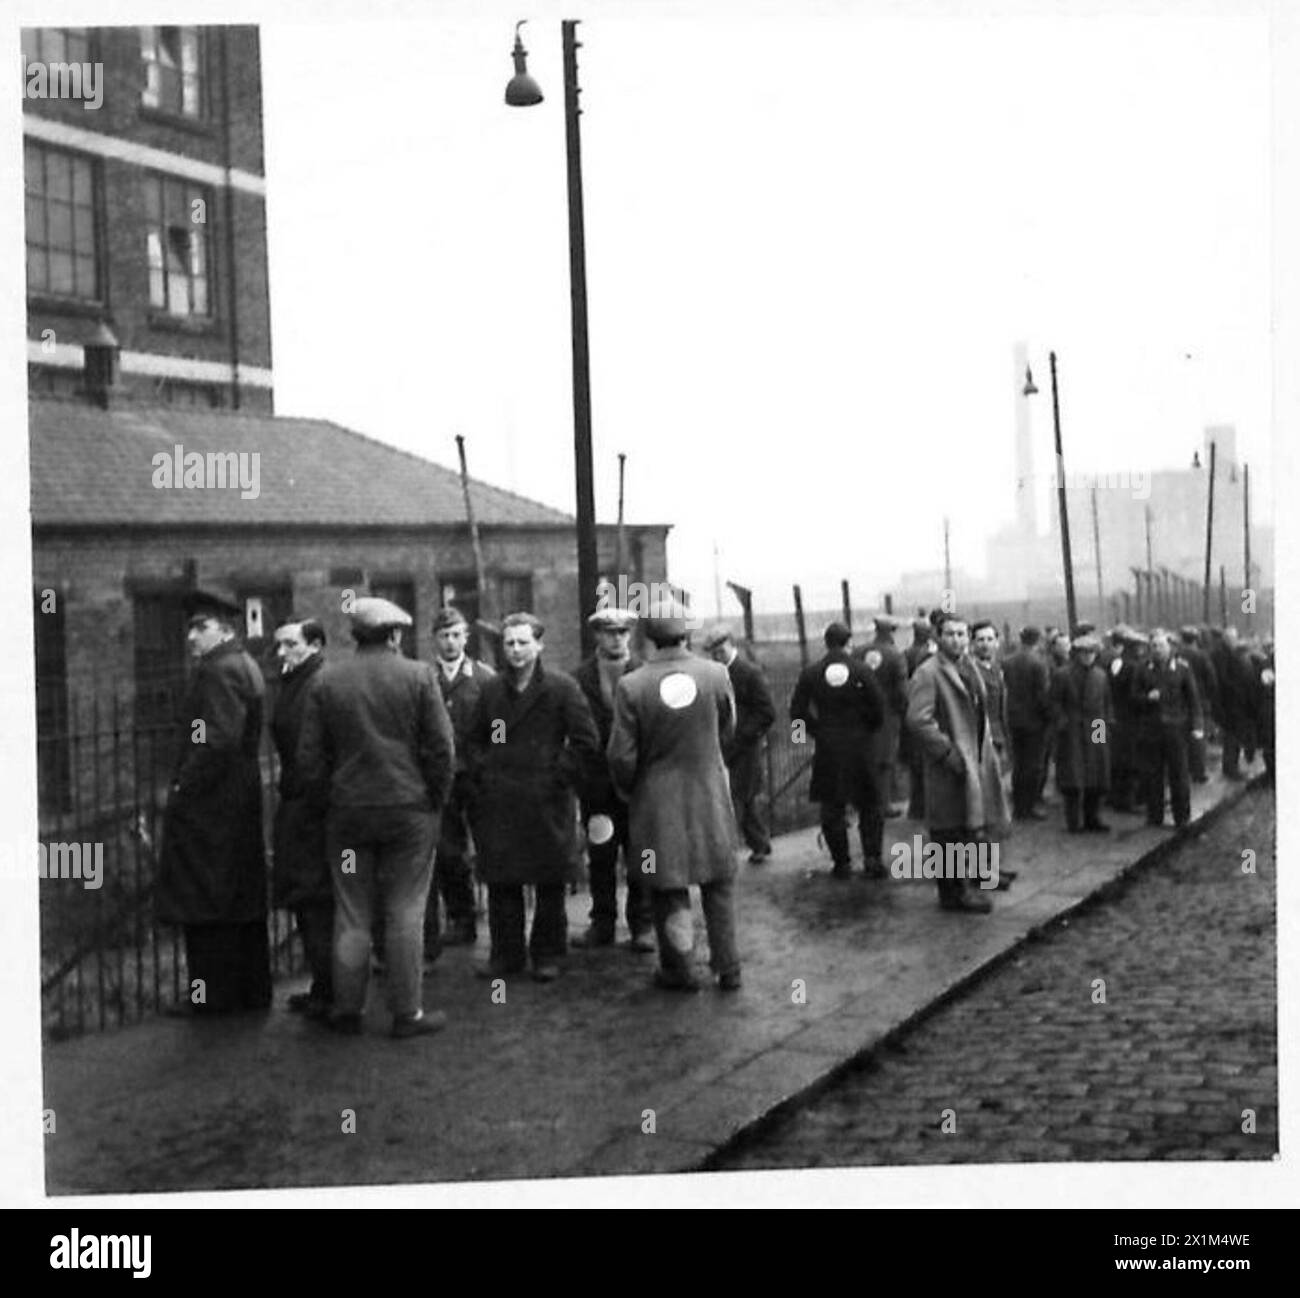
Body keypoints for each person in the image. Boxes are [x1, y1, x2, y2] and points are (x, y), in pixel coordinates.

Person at [298, 596, 455, 1038]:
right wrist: (434, 800)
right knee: (406, 910)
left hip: (348, 815)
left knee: (352, 910)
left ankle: (348, 1010)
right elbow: (442, 748)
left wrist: (327, 803)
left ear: (354, 635)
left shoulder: (327, 681)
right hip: (408, 813)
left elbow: (309, 758)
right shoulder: (419, 676)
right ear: (395, 635)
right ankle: (408, 1014)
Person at [608, 597, 742, 991]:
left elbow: (621, 755)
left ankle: (679, 969)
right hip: (709, 793)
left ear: (648, 635)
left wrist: (631, 788)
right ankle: (729, 967)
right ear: (686, 630)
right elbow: (729, 728)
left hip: (656, 800)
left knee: (668, 885)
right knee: (718, 882)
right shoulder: (717, 674)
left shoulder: (631, 685)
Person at [466, 612, 601, 982]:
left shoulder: (561, 688)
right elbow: (476, 739)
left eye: (523, 642)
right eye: (509, 643)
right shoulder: (492, 690)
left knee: (549, 881)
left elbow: (586, 742)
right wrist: (485, 773)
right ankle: (506, 956)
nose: (516, 650)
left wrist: (557, 776)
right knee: (502, 882)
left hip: (546, 801)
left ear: (539, 644)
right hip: (502, 802)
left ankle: (547, 953)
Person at [155, 590, 272, 1016]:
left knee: (203, 902)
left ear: (226, 628)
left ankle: (209, 997)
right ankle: (252, 992)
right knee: (239, 899)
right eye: (189, 627)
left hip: (211, 806)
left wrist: (185, 784)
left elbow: (212, 737)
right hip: (238, 798)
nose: (191, 636)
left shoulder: (216, 672)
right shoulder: (245, 665)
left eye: (200, 627)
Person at [905, 612, 1010, 912]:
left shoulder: (968, 667)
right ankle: (952, 895)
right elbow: (917, 720)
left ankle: (976, 880)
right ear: (938, 637)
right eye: (950, 634)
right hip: (949, 764)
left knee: (971, 823)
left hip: (974, 758)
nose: (958, 640)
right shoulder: (928, 672)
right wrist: (947, 753)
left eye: (962, 634)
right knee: (947, 829)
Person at [571, 607, 654, 950]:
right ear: (597, 636)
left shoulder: (646, 673)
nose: (616, 638)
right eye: (609, 632)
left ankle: (642, 924)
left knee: (640, 855)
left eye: (622, 632)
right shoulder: (580, 678)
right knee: (602, 854)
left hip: (638, 785)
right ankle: (602, 922)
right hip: (599, 787)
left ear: (630, 635)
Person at [270, 619, 332, 1018]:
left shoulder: (317, 684)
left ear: (313, 645)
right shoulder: (298, 680)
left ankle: (332, 990)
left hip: (313, 809)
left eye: (289, 644)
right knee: (308, 900)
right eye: (279, 646)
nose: (281, 653)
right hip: (300, 803)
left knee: (317, 901)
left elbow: (316, 752)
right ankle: (324, 986)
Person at [789, 622, 885, 878]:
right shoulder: (862, 670)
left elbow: (796, 713)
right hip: (861, 746)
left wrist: (811, 733)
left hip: (828, 747)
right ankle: (873, 859)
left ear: (826, 643)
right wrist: (867, 730)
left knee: (832, 806)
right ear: (848, 642)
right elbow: (879, 708)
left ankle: (841, 863)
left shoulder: (811, 672)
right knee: (870, 804)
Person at [427, 606, 496, 949]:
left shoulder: (485, 679)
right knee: (448, 850)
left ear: (466, 638)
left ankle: (500, 922)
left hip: (478, 778)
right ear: (434, 640)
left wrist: (488, 763)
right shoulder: (425, 679)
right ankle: (461, 918)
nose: (451, 642)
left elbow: (497, 731)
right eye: (444, 636)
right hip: (443, 780)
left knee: (489, 845)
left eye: (456, 635)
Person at [703, 624, 777, 864]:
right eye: (713, 651)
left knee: (743, 797)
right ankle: (756, 844)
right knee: (731, 797)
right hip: (721, 745)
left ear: (731, 644)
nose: (717, 655)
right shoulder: (713, 676)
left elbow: (766, 712)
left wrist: (744, 735)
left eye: (721, 649)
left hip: (745, 747)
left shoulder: (748, 673)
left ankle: (749, 846)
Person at [1133, 629, 1203, 827]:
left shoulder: (1181, 668)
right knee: (1152, 775)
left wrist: (1197, 726)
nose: (1157, 650)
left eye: (1161, 646)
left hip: (1176, 729)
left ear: (1169, 647)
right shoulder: (1142, 668)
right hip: (1151, 730)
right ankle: (1154, 816)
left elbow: (1193, 699)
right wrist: (1147, 698)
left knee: (1179, 774)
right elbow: (1133, 696)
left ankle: (1182, 817)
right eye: (1153, 646)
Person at [1049, 633, 1112, 833]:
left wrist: (1105, 726)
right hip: (1072, 728)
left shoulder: (1100, 675)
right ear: (1076, 654)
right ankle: (1074, 821)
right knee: (1073, 778)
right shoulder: (1062, 674)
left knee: (1096, 773)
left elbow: (1106, 702)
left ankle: (1093, 817)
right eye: (1084, 653)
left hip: (1096, 725)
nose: (1088, 657)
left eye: (1092, 653)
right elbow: (1053, 703)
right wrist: (1062, 723)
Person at [853, 614, 910, 825]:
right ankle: (883, 805)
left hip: (861, 714)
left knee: (864, 759)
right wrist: (903, 711)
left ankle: (863, 803)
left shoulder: (859, 652)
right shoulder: (895, 655)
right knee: (885, 760)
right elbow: (902, 691)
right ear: (891, 632)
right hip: (887, 715)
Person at [1002, 626, 1051, 821]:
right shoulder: (1039, 663)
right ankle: (1029, 806)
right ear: (1037, 640)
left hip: (1014, 719)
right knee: (1033, 765)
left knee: (1019, 764)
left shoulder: (1007, 661)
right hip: (1035, 721)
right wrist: (1049, 716)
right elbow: (1042, 695)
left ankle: (1018, 806)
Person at [1178, 627, 1217, 783]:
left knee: (1182, 738)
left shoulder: (1177, 655)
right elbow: (1212, 680)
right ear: (1195, 639)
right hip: (1199, 702)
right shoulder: (1202, 656)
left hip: (1180, 702)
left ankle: (1184, 771)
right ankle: (1199, 772)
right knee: (1199, 738)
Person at [970, 620, 1008, 765]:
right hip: (980, 741)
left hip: (1000, 738)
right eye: (980, 640)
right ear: (972, 644)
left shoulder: (998, 670)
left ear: (997, 643)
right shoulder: (970, 672)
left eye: (989, 639)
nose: (985, 644)